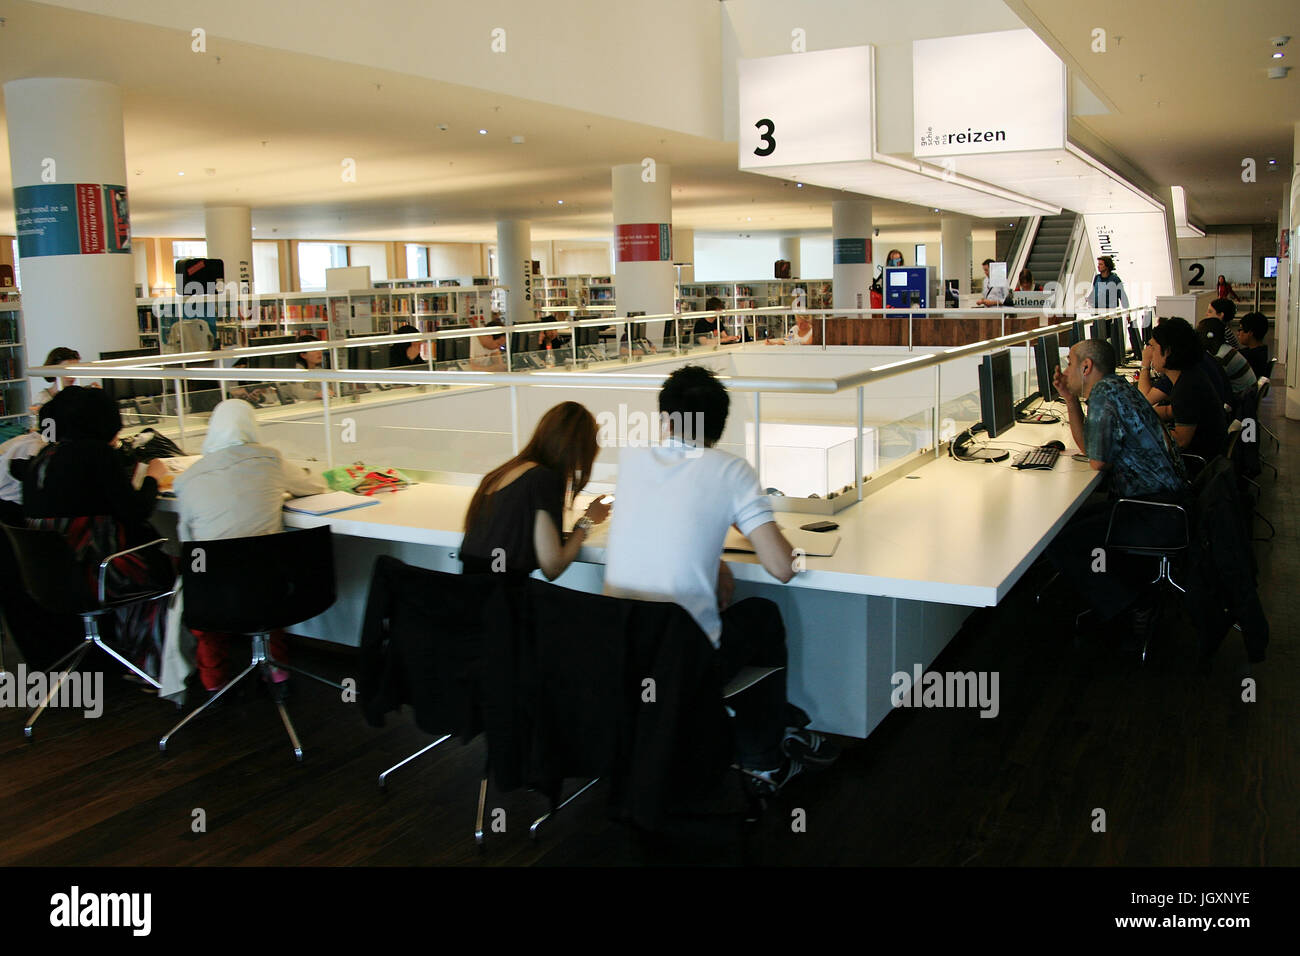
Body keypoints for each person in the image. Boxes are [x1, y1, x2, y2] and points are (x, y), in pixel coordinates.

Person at [602, 365, 840, 792]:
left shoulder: (632, 459)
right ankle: (764, 756)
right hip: (686, 661)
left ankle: (773, 733)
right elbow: (782, 568)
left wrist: (715, 560)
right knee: (764, 615)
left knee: (746, 620)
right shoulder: (732, 470)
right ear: (720, 424)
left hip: (621, 653)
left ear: (665, 418)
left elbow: (667, 525)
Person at [174, 399, 327, 699]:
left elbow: (185, 542)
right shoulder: (270, 459)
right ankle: (277, 672)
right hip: (271, 590)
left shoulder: (187, 479)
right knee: (266, 589)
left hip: (211, 592)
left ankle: (213, 682)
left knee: (204, 601)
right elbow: (314, 487)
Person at [19, 386, 172, 679]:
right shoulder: (96, 454)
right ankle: (150, 666)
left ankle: (133, 660)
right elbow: (136, 511)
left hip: (50, 580)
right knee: (161, 572)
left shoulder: (41, 459)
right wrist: (152, 476)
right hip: (97, 574)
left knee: (139, 561)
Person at [1047, 339, 1187, 635]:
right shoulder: (1116, 387)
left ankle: (1133, 605)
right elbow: (1093, 449)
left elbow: (1097, 461)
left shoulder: (1103, 397)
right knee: (1068, 524)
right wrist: (1071, 400)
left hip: (1154, 510)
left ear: (1086, 367)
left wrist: (1075, 402)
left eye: (1071, 363)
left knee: (1061, 542)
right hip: (1164, 502)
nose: (1067, 369)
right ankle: (1122, 592)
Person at [461, 401, 609, 579]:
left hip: (471, 597)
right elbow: (552, 566)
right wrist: (588, 521)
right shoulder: (543, 479)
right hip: (502, 598)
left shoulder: (500, 474)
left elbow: (512, 534)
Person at [1144, 317, 1227, 462]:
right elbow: (1172, 410)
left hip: (1197, 463)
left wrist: (1144, 427)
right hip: (1210, 455)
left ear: (1167, 352)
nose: (1150, 353)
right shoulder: (1190, 374)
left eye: (1153, 347)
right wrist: (1140, 413)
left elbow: (1181, 441)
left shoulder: (1187, 387)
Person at [1196, 317, 1255, 402]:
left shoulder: (1222, 358)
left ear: (1210, 336)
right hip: (1245, 395)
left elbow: (1209, 384)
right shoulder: (1226, 349)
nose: (1198, 338)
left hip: (1240, 400)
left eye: (1200, 334)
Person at [29, 346, 82, 415]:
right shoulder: (42, 400)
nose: (72, 376)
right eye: (67, 370)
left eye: (75, 370)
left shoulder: (76, 395)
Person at [1237, 311, 1271, 379]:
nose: (1238, 333)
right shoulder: (1262, 351)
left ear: (1250, 333)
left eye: (1240, 329)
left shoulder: (1247, 357)